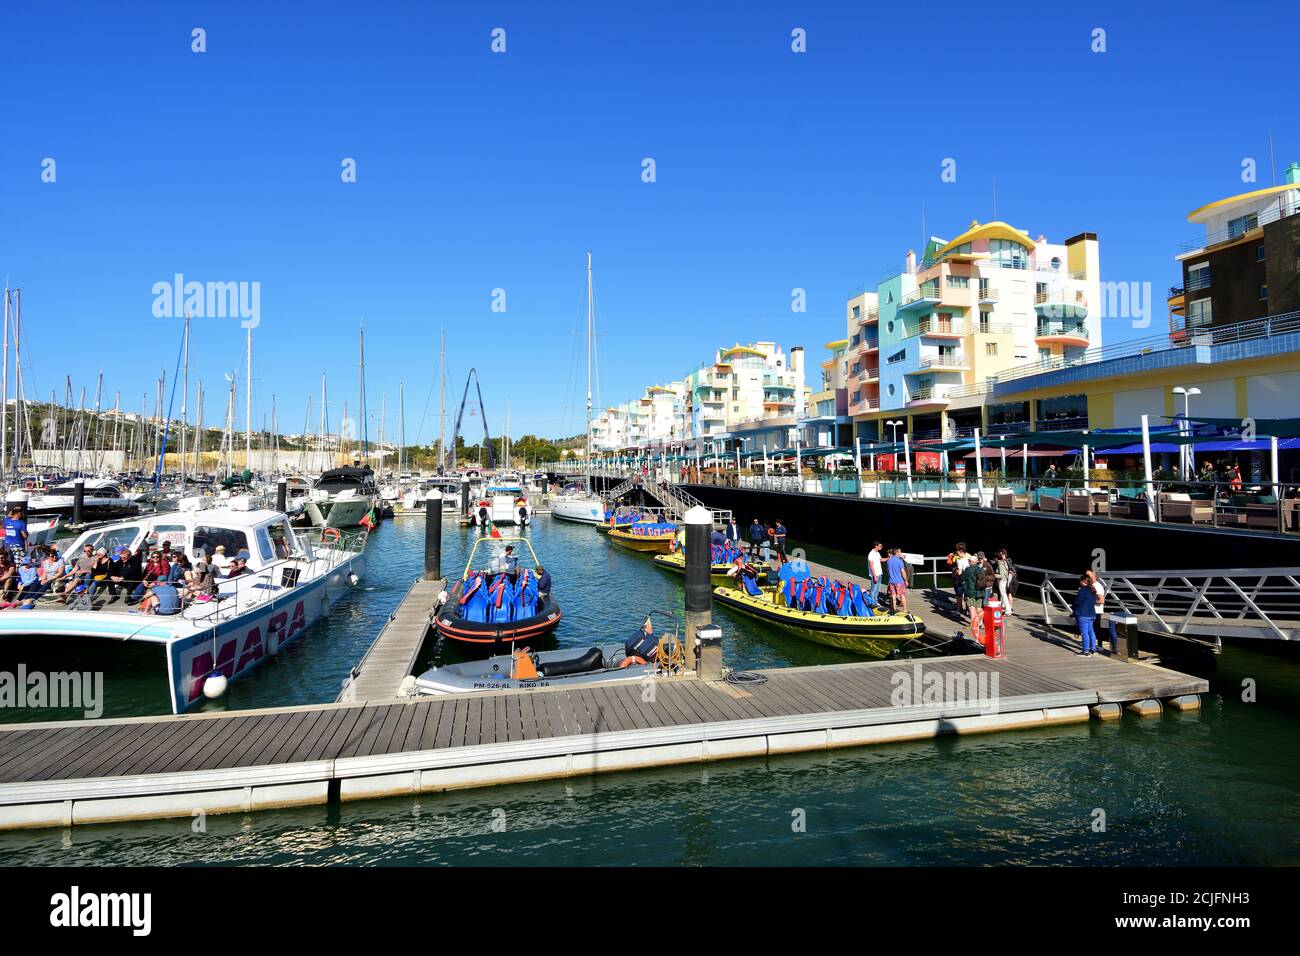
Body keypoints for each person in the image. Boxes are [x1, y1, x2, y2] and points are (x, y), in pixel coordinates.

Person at [1073, 572, 1099, 656]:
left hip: (1083, 614)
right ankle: (1093, 649)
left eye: (1080, 581)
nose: (1079, 582)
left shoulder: (1083, 590)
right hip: (1091, 614)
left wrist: (1073, 606)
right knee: (1091, 632)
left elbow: (1077, 602)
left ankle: (1086, 652)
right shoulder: (1093, 590)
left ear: (1083, 581)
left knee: (1084, 633)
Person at [961, 555, 985, 640]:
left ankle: (974, 624)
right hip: (980, 592)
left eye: (969, 561)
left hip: (971, 592)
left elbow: (962, 578)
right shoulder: (980, 569)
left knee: (971, 608)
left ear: (971, 562)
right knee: (979, 608)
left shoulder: (968, 569)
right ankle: (981, 623)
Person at [948, 543, 971, 616]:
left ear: (961, 551)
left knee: (959, 595)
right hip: (969, 580)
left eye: (957, 551)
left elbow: (960, 572)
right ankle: (968, 611)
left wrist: (956, 572)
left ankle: (958, 611)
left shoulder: (960, 560)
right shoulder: (970, 557)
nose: (957, 553)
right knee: (968, 596)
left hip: (960, 580)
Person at [885, 547, 908, 614]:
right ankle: (905, 609)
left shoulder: (889, 561)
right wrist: (906, 580)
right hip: (899, 581)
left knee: (893, 595)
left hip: (891, 581)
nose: (901, 553)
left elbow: (888, 571)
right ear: (897, 552)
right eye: (900, 552)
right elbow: (903, 572)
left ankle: (894, 609)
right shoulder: (899, 561)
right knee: (902, 595)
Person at [994, 548, 1015, 614]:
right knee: (1004, 596)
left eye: (995, 558)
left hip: (1002, 581)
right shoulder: (1004, 563)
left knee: (1004, 596)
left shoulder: (1001, 565)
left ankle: (1008, 611)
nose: (995, 560)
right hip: (1004, 581)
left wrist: (994, 575)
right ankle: (1006, 609)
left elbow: (1002, 575)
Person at [866, 541, 883, 608]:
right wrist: (875, 576)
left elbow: (881, 560)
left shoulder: (877, 553)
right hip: (875, 575)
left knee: (877, 589)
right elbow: (871, 566)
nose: (881, 547)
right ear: (876, 546)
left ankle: (875, 601)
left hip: (879, 574)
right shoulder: (871, 554)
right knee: (873, 590)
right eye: (880, 546)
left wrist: (888, 558)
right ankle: (871, 603)